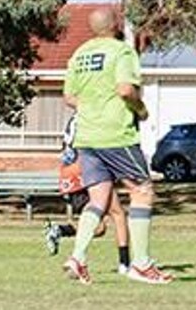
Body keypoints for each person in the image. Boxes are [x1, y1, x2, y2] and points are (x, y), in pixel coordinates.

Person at [61, 8, 172, 285]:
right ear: (117, 25)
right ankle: (142, 264)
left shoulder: (79, 55)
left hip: (87, 137)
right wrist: (140, 108)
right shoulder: (121, 52)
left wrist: (92, 107)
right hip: (116, 135)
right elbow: (125, 89)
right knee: (142, 190)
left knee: (98, 200)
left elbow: (69, 97)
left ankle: (77, 257)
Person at [45, 116, 131, 274]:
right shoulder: (92, 118)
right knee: (118, 213)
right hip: (86, 169)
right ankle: (124, 264)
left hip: (70, 173)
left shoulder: (75, 119)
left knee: (99, 228)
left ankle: (61, 231)